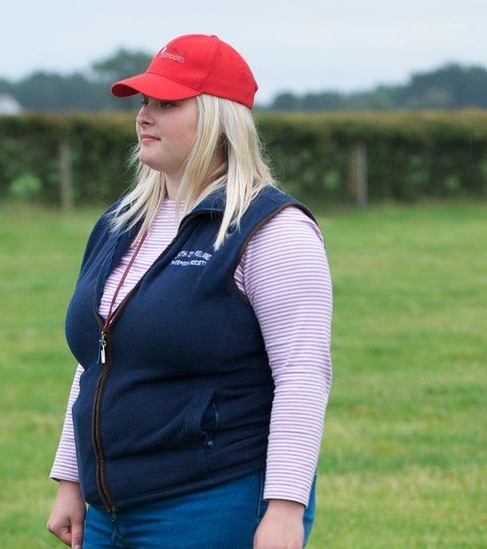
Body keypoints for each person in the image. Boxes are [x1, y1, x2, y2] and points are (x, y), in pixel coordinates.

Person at [46, 33, 332, 549]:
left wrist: (285, 510)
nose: (144, 115)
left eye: (168, 103)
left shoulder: (272, 230)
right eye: (144, 101)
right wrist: (70, 478)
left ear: (220, 120)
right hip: (109, 511)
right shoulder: (119, 222)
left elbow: (302, 374)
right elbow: (99, 357)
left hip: (214, 502)